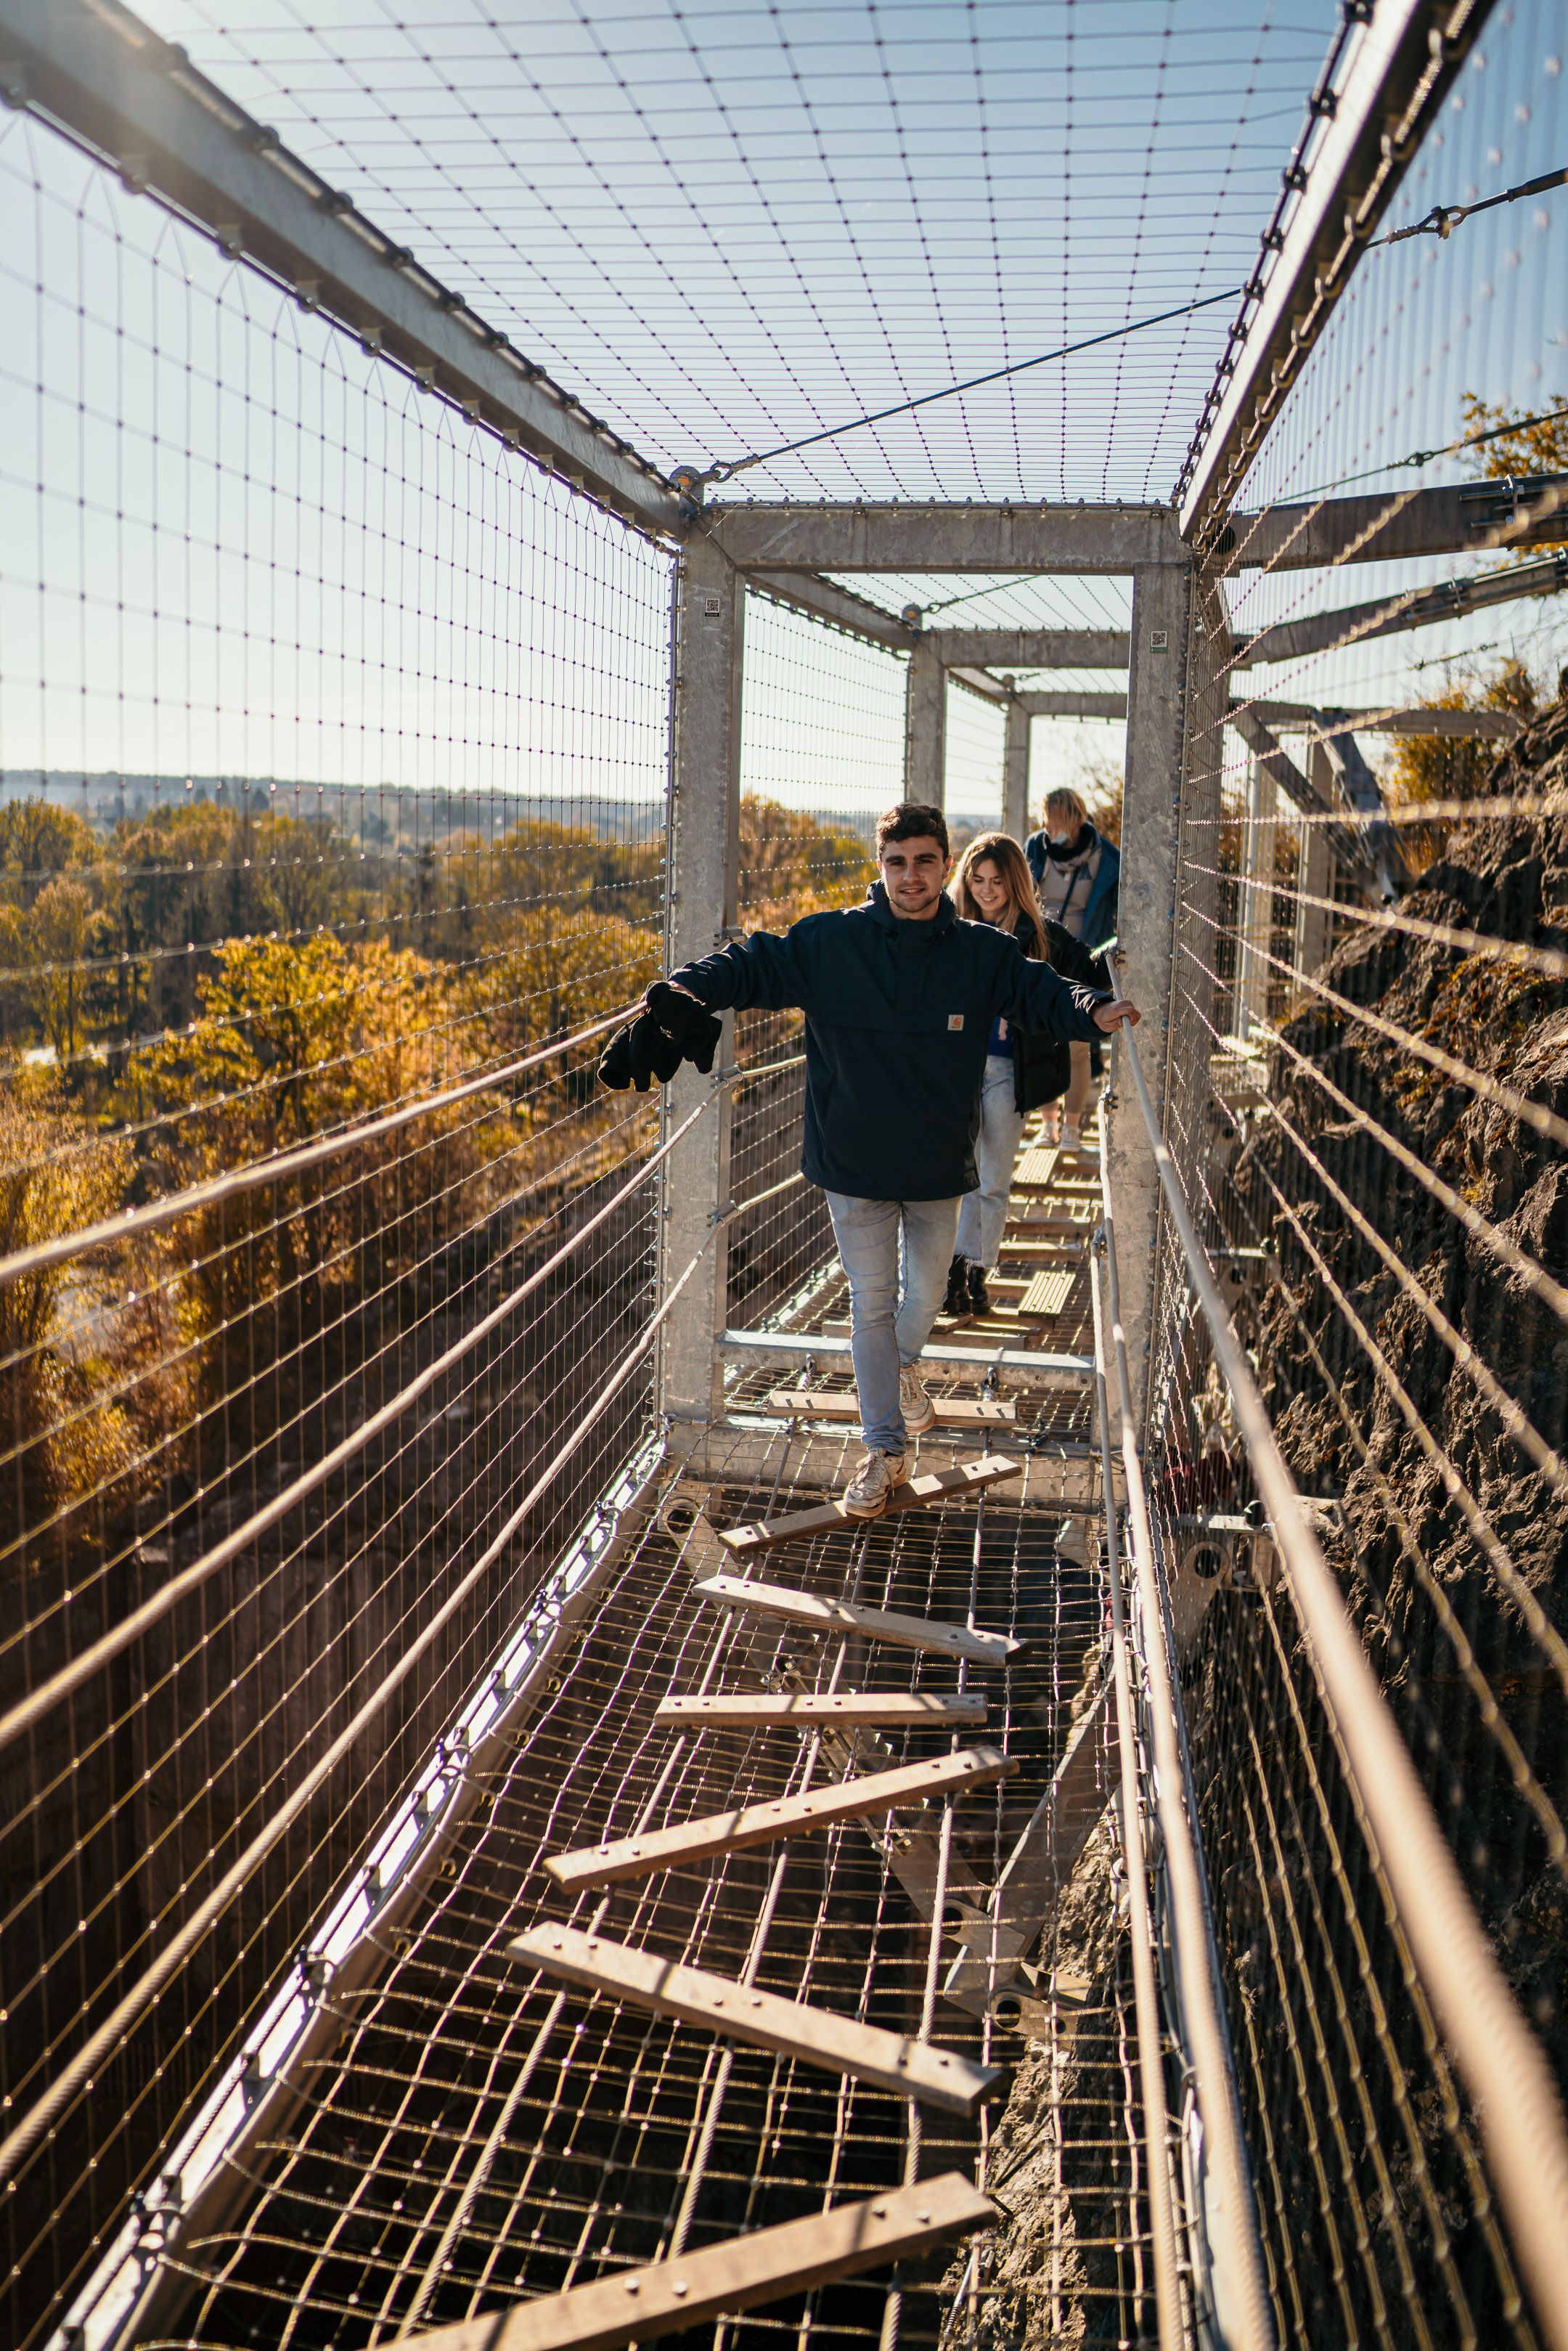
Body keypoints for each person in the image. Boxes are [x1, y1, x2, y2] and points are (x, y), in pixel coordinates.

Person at [599, 802, 1141, 1519]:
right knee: (871, 1304)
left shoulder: (980, 953)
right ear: (878, 867)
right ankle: (884, 1448)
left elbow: (1040, 990)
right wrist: (683, 992)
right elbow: (750, 964)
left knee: (926, 1298)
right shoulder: (831, 945)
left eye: (923, 861)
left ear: (943, 865)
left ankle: (901, 1373)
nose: (910, 876)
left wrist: (1094, 1010)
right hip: (853, 1164)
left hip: (937, 1166)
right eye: (896, 862)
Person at [944, 831, 1106, 1320]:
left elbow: (1090, 971)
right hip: (954, 1069)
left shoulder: (1041, 935)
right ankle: (948, 1267)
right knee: (952, 1173)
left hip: (1008, 1072)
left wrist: (1122, 954)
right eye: (977, 880)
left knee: (992, 1175)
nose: (986, 890)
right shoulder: (949, 929)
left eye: (997, 881)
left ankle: (976, 1268)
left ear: (1015, 882)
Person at [1024, 787, 1121, 1149]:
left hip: (1082, 956)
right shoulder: (1035, 848)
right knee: (1042, 1040)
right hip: (1039, 953)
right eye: (1048, 823)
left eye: (1059, 822)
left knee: (1078, 1048)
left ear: (1077, 818)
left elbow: (1122, 906)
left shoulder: (1106, 858)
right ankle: (1047, 1126)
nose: (1052, 830)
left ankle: (1072, 1129)